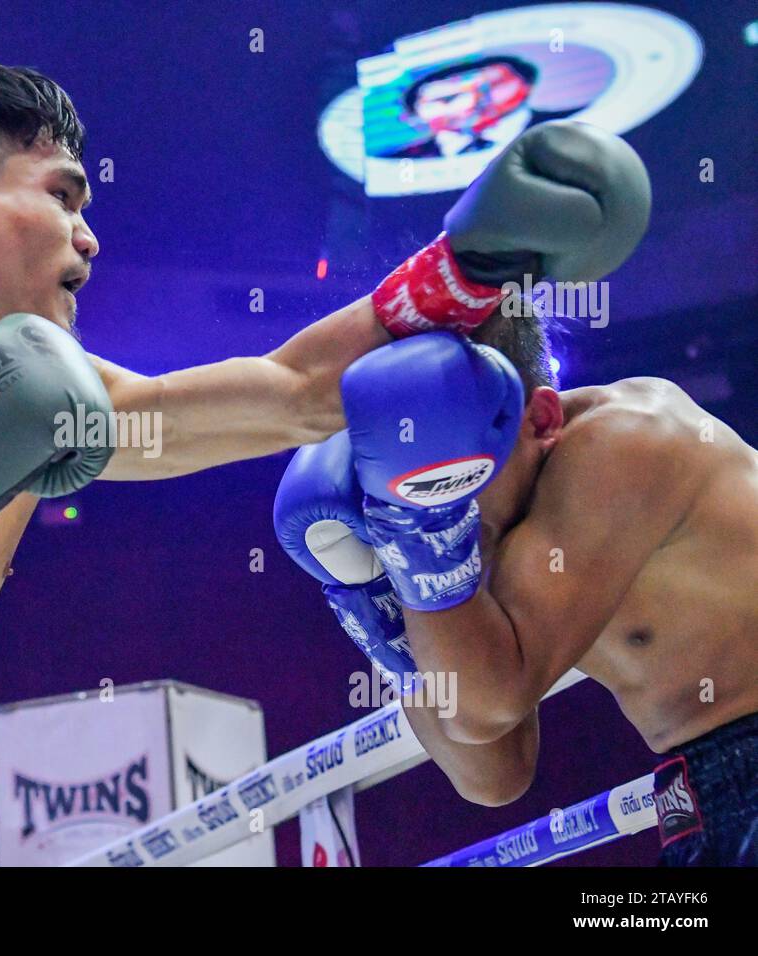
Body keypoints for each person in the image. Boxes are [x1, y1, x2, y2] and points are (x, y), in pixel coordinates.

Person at [0, 57, 647, 866]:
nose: (89, 237)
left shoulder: (59, 411)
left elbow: (288, 394)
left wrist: (466, 264)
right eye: (63, 195)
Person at [275, 308, 758, 866]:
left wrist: (418, 532)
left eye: (459, 465)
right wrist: (374, 593)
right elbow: (490, 773)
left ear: (541, 420)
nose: (448, 493)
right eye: (415, 463)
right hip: (697, 800)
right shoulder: (467, 527)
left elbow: (484, 708)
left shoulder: (628, 441)